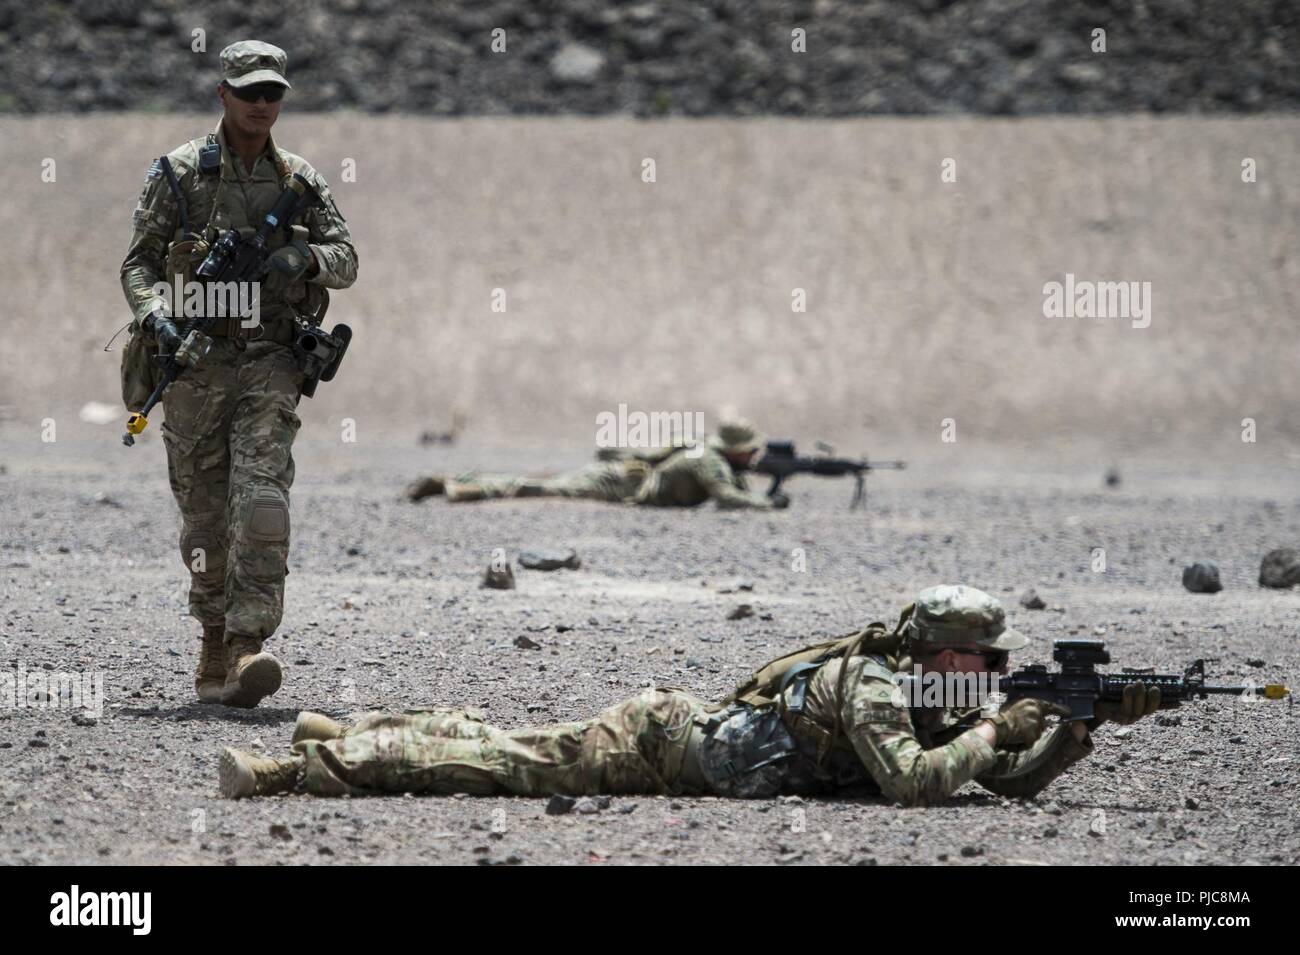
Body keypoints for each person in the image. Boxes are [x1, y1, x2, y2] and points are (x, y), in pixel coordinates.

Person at [217, 585, 1159, 801]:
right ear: (942, 651)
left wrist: (1076, 730)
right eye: (980, 663)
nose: (988, 681)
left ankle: (342, 725)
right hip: (662, 745)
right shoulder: (875, 685)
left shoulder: (929, 692)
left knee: (507, 736)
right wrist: (1002, 723)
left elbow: (1004, 784)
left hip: (684, 736)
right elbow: (920, 785)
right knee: (497, 763)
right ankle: (297, 767)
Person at [119, 41, 358, 707]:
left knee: (259, 505)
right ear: (222, 93)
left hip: (269, 362)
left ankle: (248, 644)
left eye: (272, 93)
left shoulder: (300, 182)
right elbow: (137, 264)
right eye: (249, 92)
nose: (262, 104)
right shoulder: (179, 174)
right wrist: (155, 317)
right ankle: (212, 639)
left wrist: (300, 260)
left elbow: (347, 258)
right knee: (203, 516)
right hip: (194, 364)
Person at [406, 419, 787, 510]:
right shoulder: (712, 461)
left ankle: (457, 481)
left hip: (623, 478)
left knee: (540, 481)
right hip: (619, 483)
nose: (752, 457)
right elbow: (725, 497)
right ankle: (455, 487)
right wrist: (768, 505)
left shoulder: (707, 453)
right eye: (749, 451)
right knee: (539, 487)